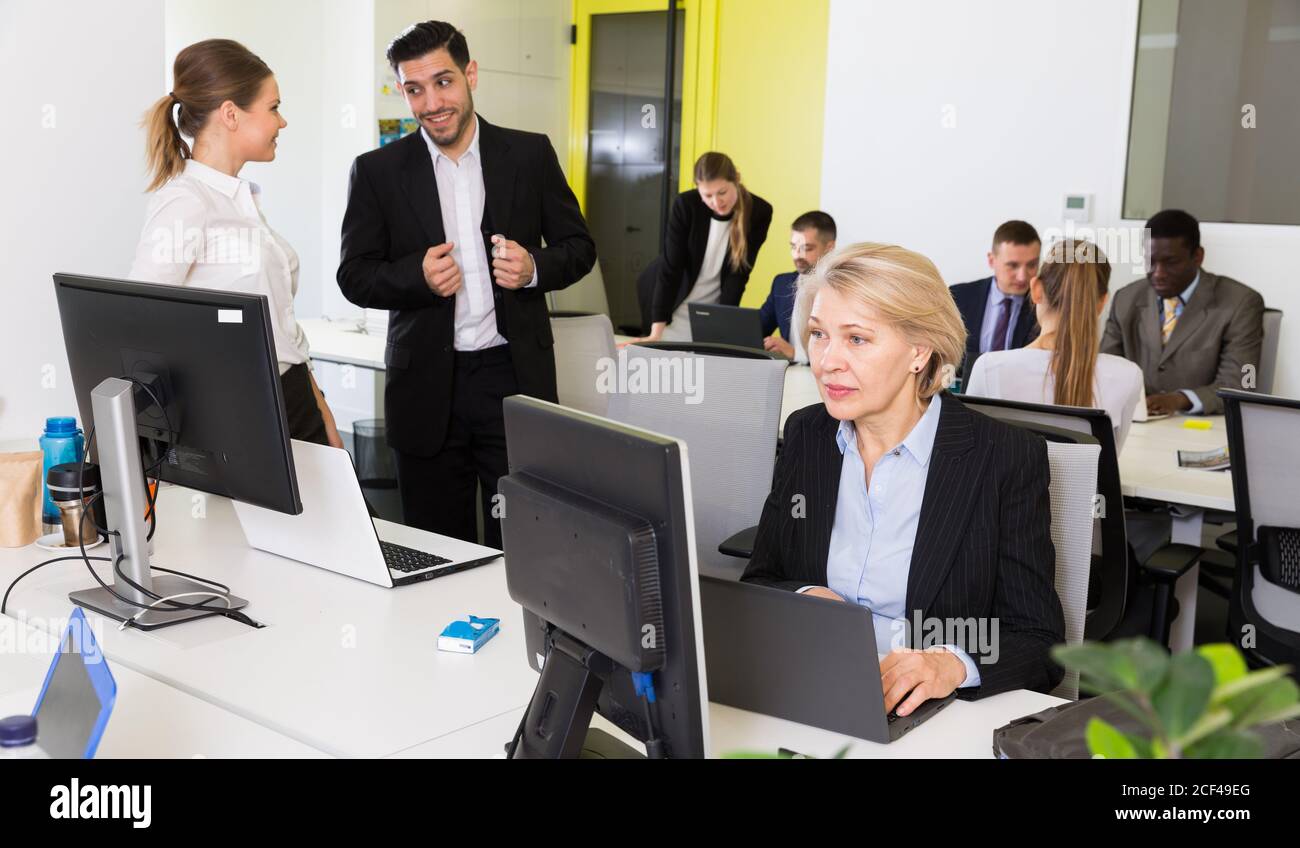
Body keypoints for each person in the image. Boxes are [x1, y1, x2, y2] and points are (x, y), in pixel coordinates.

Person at [742, 243, 1065, 713]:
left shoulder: (1003, 459)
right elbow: (760, 580)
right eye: (818, 334)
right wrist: (807, 598)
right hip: (814, 688)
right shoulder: (808, 433)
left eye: (856, 339)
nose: (827, 360)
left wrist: (949, 664)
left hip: (930, 713)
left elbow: (1039, 640)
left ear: (919, 351)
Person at [336, 21, 596, 547]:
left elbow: (580, 248)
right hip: (427, 388)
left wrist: (534, 269)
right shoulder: (377, 171)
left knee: (526, 544)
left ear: (470, 74)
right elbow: (354, 275)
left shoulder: (529, 154)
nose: (431, 102)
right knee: (435, 546)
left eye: (443, 82)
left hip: (514, 379)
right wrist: (416, 276)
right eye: (414, 89)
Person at [130, 39, 342, 448]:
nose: (282, 122)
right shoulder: (186, 201)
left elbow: (284, 334)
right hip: (242, 410)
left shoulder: (239, 199)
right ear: (231, 113)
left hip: (295, 398)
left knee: (349, 511)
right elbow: (141, 319)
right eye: (273, 107)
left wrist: (322, 411)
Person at [967, 240, 1145, 450]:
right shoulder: (1128, 375)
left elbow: (972, 453)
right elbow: (1109, 463)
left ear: (1036, 289)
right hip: (1089, 485)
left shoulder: (989, 368)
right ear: (1102, 302)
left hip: (1010, 484)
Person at [1101, 209, 1264, 416]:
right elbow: (1105, 371)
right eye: (1150, 261)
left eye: (1171, 262)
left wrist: (1180, 400)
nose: (1158, 273)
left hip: (1205, 427)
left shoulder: (1240, 303)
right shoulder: (1126, 299)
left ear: (1197, 257)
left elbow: (1241, 384)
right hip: (1136, 424)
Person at [625, 152, 772, 344]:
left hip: (709, 307)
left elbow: (738, 275)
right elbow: (671, 269)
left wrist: (723, 325)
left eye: (722, 192)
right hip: (671, 301)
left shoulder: (759, 211)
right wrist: (656, 332)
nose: (716, 202)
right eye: (707, 195)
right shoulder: (686, 205)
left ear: (736, 178)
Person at [949, 220, 1042, 379]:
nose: (1022, 276)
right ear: (992, 260)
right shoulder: (958, 297)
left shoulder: (1046, 306)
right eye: (1013, 265)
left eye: (1032, 265)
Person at [759, 210, 836, 362]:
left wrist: (795, 354)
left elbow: (839, 349)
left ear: (829, 247)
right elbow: (756, 329)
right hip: (787, 376)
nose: (797, 255)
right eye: (793, 247)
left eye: (807, 248)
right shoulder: (781, 284)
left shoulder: (839, 288)